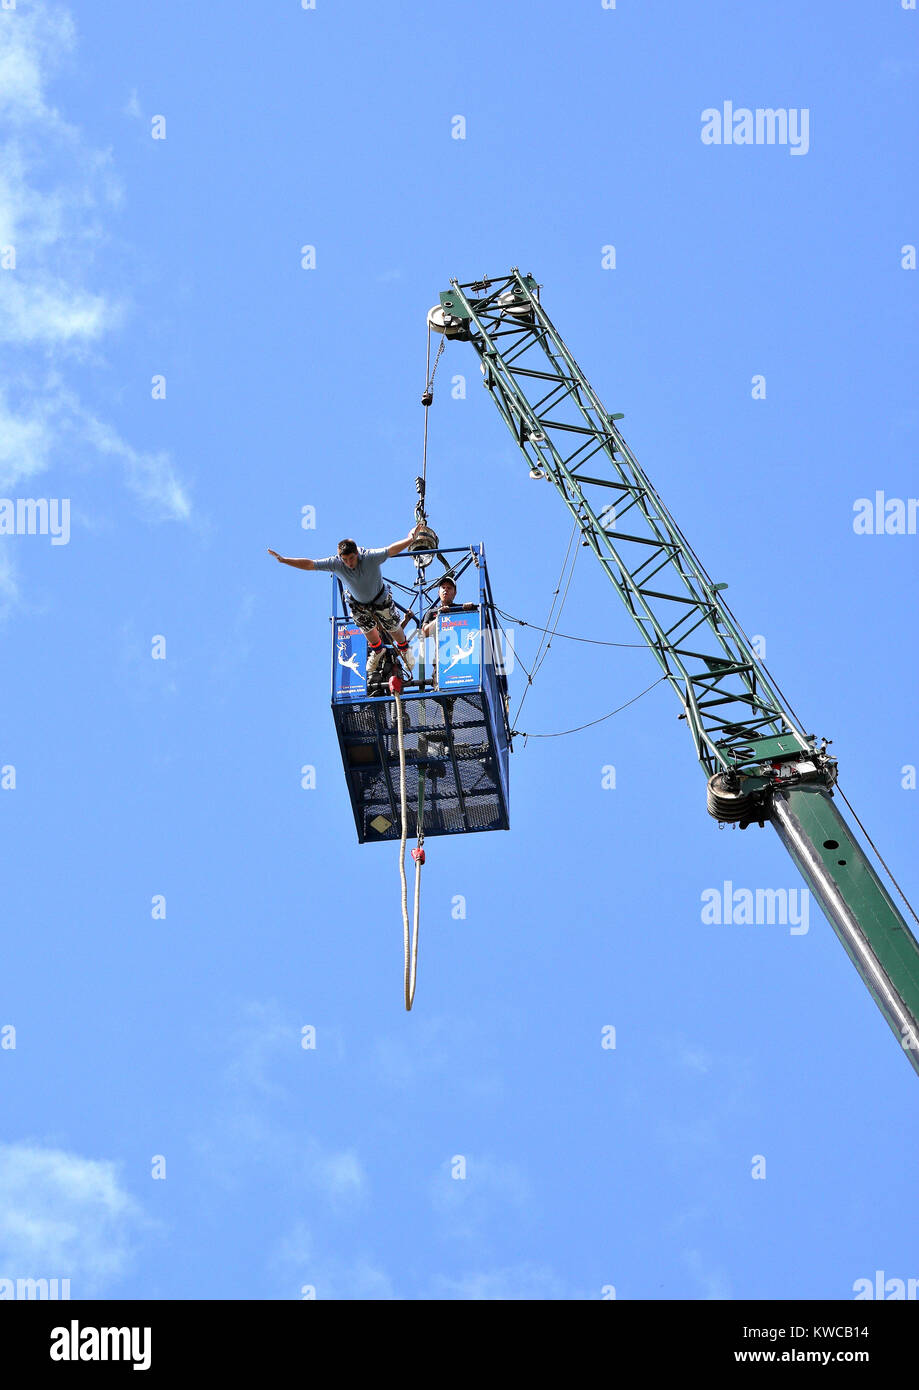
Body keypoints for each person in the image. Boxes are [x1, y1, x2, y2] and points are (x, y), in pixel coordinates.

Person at [268, 524, 424, 677]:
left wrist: (410, 539)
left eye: (351, 558)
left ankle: (404, 649)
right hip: (359, 605)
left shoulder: (370, 557)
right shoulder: (336, 564)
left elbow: (391, 550)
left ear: (357, 553)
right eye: (345, 560)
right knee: (367, 629)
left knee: (393, 628)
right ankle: (378, 650)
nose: (349, 563)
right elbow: (310, 564)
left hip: (380, 600)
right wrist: (284, 560)